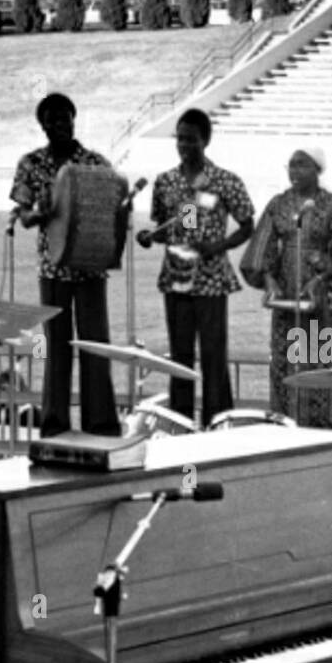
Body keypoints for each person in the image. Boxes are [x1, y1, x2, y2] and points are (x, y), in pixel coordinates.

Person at [11, 92, 125, 437]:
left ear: (74, 120)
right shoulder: (30, 163)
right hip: (53, 268)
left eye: (64, 117)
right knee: (56, 346)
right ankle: (55, 423)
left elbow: (114, 206)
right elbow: (23, 213)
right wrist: (39, 214)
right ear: (42, 125)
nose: (59, 124)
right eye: (51, 119)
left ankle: (101, 423)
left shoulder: (95, 162)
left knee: (95, 344)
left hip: (90, 267)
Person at [138, 108, 254, 427]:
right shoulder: (166, 182)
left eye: (191, 139)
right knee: (180, 357)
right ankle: (181, 423)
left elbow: (247, 225)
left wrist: (219, 246)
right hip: (176, 278)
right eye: (180, 139)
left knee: (214, 356)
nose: (184, 145)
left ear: (206, 140)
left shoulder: (225, 181)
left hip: (211, 279)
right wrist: (151, 237)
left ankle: (219, 424)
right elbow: (168, 227)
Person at [239, 146, 332, 428]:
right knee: (286, 364)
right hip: (287, 301)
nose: (295, 171)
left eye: (302, 165)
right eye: (291, 165)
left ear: (317, 169)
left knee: (320, 363)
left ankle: (322, 431)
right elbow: (261, 246)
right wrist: (269, 280)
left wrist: (320, 276)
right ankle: (286, 427)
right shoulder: (279, 204)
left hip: (321, 302)